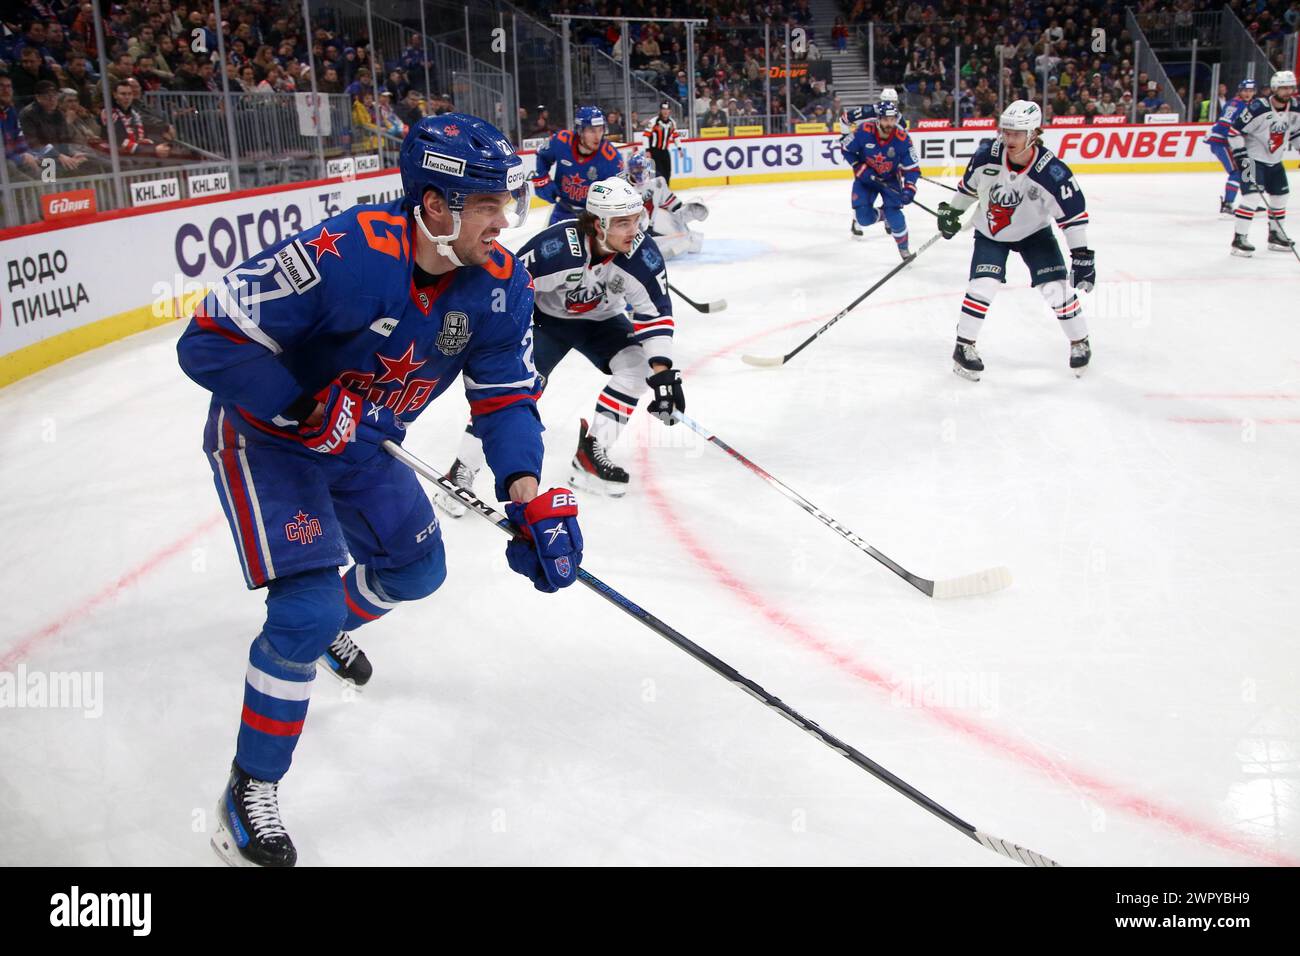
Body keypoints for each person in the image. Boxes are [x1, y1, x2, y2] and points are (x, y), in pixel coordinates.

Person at [176, 113, 583, 867]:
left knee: (417, 569)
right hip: (270, 438)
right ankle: (247, 790)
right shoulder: (348, 253)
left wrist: (527, 491)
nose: (507, 221)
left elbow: (502, 397)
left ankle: (331, 625)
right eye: (490, 205)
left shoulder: (501, 281)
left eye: (508, 202)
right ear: (435, 205)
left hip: (362, 439)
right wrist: (304, 406)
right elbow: (206, 340)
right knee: (305, 607)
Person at [440, 177, 682, 502]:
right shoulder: (556, 248)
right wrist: (495, 337)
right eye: (623, 222)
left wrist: (663, 372)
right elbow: (507, 288)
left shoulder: (642, 255)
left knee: (638, 370)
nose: (634, 230)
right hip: (545, 320)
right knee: (514, 390)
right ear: (599, 224)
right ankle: (461, 468)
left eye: (636, 220)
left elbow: (655, 312)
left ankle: (590, 455)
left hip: (602, 320)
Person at [935, 100, 1094, 379]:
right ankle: (963, 346)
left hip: (1034, 234)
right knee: (982, 286)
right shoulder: (987, 155)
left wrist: (1081, 256)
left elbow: (1072, 215)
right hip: (991, 232)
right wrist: (952, 212)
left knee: (1055, 289)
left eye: (1017, 133)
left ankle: (1079, 341)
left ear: (1033, 134)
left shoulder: (1051, 172)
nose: (1009, 138)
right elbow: (969, 189)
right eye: (1006, 131)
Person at [1228, 70, 1300, 256]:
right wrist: (1241, 156)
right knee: (1251, 198)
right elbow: (1234, 132)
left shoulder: (1295, 107)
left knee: (1280, 197)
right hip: (1252, 159)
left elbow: (1295, 132)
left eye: (1290, 87)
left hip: (1275, 161)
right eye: (1283, 87)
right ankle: (1239, 239)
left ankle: (1275, 235)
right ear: (1275, 88)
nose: (1288, 91)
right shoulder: (1258, 107)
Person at [841, 101, 919, 260]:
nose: (889, 123)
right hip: (865, 180)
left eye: (892, 119)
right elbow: (846, 149)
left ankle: (904, 249)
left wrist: (909, 188)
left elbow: (912, 168)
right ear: (878, 119)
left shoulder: (903, 138)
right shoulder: (863, 131)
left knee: (895, 215)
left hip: (890, 179)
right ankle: (883, 214)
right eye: (885, 119)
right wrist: (859, 167)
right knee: (862, 218)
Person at [531, 105, 625, 225]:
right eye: (592, 130)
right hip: (562, 209)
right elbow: (542, 155)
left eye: (600, 129)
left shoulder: (611, 158)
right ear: (580, 130)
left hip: (593, 216)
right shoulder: (562, 141)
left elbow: (619, 192)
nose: (597, 136)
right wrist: (543, 179)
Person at [625, 150, 707, 259]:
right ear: (629, 170)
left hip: (649, 230)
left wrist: (688, 210)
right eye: (636, 169)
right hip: (628, 233)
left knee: (686, 240)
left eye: (641, 168)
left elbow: (672, 204)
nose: (639, 172)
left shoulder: (657, 183)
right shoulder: (622, 186)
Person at [1205, 79, 1256, 217]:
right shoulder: (1238, 105)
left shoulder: (1241, 103)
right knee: (1237, 172)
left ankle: (1248, 202)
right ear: (1240, 91)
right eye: (1245, 90)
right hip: (1222, 141)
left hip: (1226, 141)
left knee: (1245, 170)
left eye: (1251, 91)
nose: (1248, 93)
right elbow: (1226, 126)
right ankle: (1228, 204)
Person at [642, 101, 679, 183]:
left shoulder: (672, 123)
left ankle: (666, 191)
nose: (665, 111)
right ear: (660, 111)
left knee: (667, 172)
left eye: (667, 109)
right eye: (663, 109)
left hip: (665, 151)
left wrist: (679, 148)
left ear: (670, 111)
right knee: (656, 173)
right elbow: (645, 136)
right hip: (654, 151)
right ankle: (656, 191)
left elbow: (675, 135)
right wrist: (647, 150)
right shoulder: (653, 121)